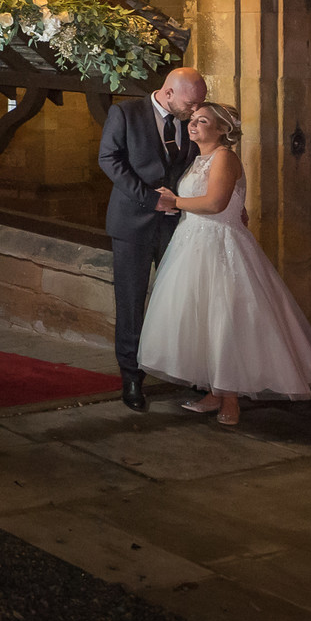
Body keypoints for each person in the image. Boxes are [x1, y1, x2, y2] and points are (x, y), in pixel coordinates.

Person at [137, 102, 311, 426]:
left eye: (203, 121)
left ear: (222, 130)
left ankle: (231, 399)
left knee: (225, 319)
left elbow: (215, 203)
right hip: (192, 243)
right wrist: (177, 203)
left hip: (221, 246)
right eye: (194, 119)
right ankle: (214, 391)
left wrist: (174, 201)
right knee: (200, 319)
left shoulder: (225, 158)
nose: (193, 125)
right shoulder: (199, 159)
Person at [97, 65, 206, 411]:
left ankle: (187, 371)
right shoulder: (125, 113)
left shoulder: (192, 118)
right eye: (190, 104)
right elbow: (109, 160)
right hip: (131, 223)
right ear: (169, 93)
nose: (195, 111)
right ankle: (131, 377)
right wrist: (150, 197)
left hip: (178, 225)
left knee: (180, 298)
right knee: (130, 302)